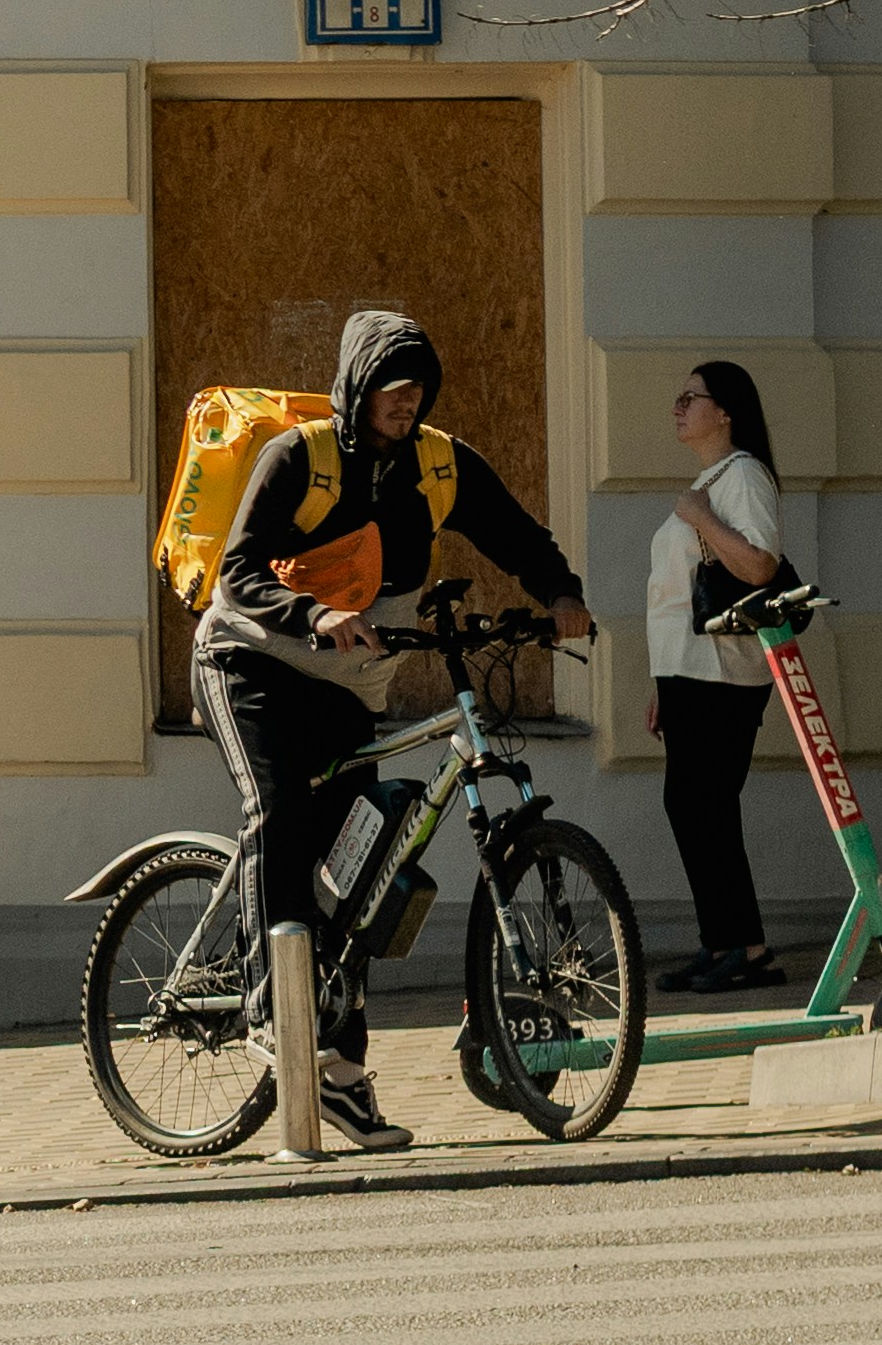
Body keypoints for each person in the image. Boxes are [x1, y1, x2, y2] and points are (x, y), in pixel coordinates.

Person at [199, 303, 595, 1151]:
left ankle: (340, 1075)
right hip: (250, 668)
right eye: (389, 384)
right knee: (280, 816)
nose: (404, 400)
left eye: (416, 386)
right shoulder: (295, 459)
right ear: (356, 387)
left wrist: (558, 593)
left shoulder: (441, 465)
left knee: (359, 869)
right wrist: (313, 613)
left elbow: (515, 534)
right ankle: (273, 1010)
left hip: (347, 691)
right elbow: (236, 575)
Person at [646, 356, 788, 991]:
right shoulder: (711, 479)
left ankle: (747, 949)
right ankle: (723, 942)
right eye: (677, 398)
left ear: (725, 411)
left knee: (706, 806)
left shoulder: (744, 477)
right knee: (691, 806)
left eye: (690, 397)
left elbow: (760, 566)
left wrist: (701, 517)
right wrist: (660, 685)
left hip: (723, 674)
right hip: (687, 674)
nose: (677, 407)